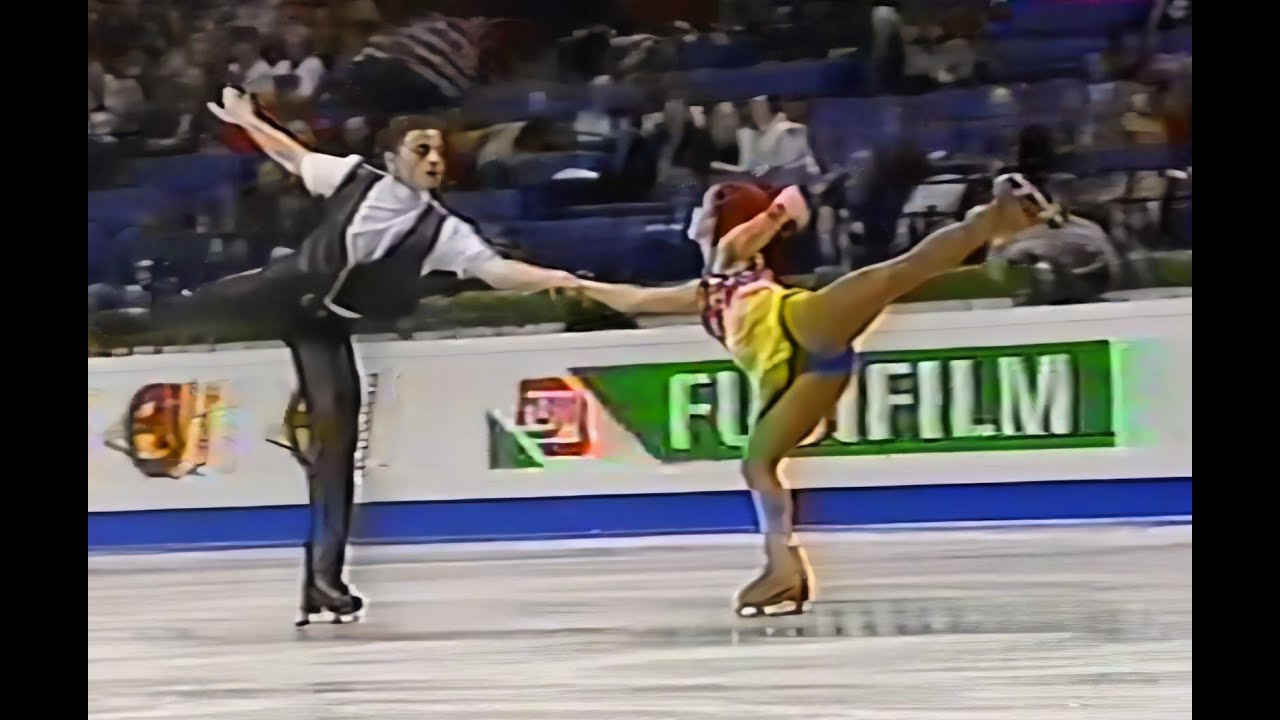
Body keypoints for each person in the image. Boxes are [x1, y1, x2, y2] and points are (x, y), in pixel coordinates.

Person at [122, 86, 583, 626]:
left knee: (336, 450)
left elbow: (496, 270)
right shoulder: (355, 178)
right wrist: (249, 119)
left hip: (322, 325)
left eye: (438, 152)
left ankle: (323, 580)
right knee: (168, 317)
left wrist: (554, 278)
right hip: (277, 292)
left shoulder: (444, 230)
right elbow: (289, 155)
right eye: (420, 150)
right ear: (392, 159)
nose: (434, 160)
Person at [572, 173, 1063, 618]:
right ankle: (782, 567)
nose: (695, 216)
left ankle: (994, 219)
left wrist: (779, 212)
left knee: (895, 275)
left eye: (705, 206)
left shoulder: (730, 256)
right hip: (806, 370)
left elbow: (769, 218)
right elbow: (635, 299)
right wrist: (571, 284)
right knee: (757, 463)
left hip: (799, 328)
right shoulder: (703, 292)